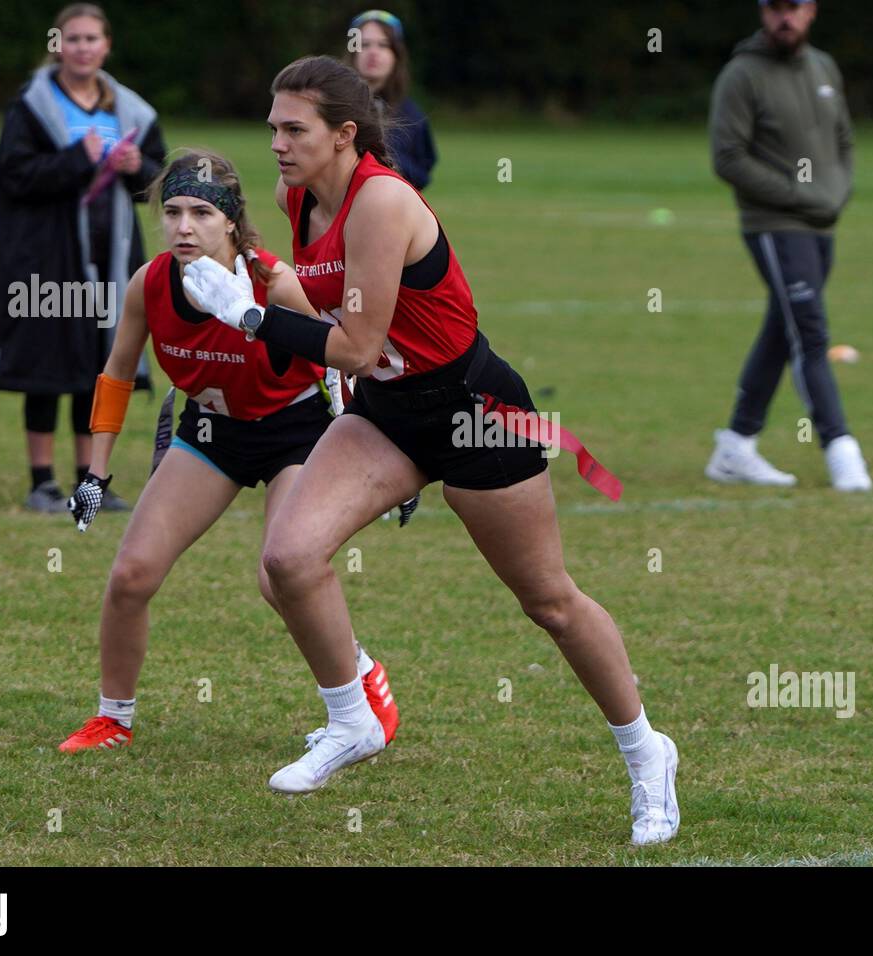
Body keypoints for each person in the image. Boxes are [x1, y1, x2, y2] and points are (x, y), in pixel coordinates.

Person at [182, 57, 678, 845]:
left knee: (548, 601)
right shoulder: (296, 197)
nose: (275, 143)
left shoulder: (383, 202)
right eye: (272, 126)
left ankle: (648, 753)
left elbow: (353, 342)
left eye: (293, 129)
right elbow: (332, 318)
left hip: (475, 411)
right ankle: (355, 719)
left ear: (344, 134)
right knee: (288, 560)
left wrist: (244, 315)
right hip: (389, 411)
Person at [57, 150, 398, 753]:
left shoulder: (274, 281)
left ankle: (362, 678)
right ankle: (113, 719)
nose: (184, 226)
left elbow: (346, 359)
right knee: (131, 575)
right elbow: (114, 376)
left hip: (296, 433)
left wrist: (386, 452)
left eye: (202, 212)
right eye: (172, 211)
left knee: (280, 577)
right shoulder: (150, 282)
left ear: (232, 223)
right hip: (213, 432)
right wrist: (95, 473)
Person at [0, 3, 164, 514]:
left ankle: (93, 481)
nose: (83, 47)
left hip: (112, 259)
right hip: (47, 258)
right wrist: (74, 159)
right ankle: (41, 481)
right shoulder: (31, 107)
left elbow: (157, 183)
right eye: (74, 38)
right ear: (57, 45)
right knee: (47, 362)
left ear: (107, 45)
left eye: (93, 38)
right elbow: (13, 177)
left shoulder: (131, 110)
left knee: (98, 364)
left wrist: (138, 167)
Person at [706, 0, 873, 491]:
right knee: (811, 331)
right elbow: (728, 157)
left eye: (794, 7)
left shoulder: (824, 67)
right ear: (762, 12)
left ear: (812, 10)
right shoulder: (741, 75)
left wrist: (836, 194)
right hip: (775, 223)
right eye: (775, 8)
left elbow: (844, 141)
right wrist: (800, 197)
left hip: (822, 223)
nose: (785, 18)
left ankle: (736, 445)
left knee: (785, 327)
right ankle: (842, 450)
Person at [347, 10, 437, 190]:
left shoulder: (413, 116)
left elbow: (423, 172)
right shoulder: (331, 107)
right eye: (364, 44)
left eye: (383, 45)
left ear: (396, 54)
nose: (373, 52)